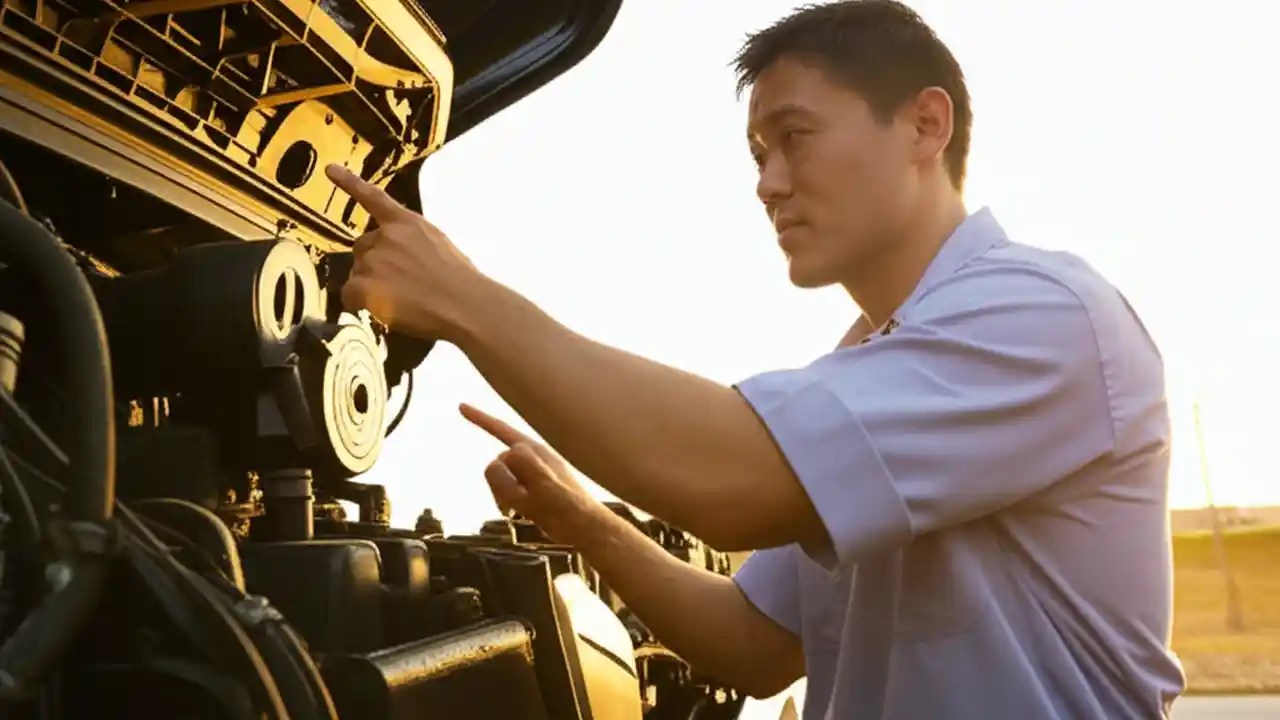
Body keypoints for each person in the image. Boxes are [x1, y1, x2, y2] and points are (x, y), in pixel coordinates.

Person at [324, 1, 1187, 717]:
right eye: (756, 154)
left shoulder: (1041, 316)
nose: (767, 182)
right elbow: (757, 644)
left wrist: (464, 299)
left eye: (793, 137)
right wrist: (585, 523)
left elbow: (731, 479)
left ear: (926, 125)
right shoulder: (875, 362)